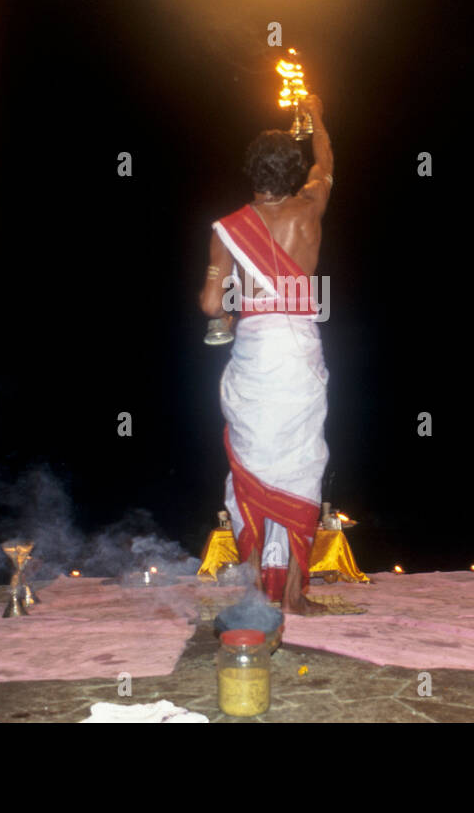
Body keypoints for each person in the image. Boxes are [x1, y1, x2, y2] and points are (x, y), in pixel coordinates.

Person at [199, 95, 333, 614]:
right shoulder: (312, 206)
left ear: (250, 174)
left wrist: (226, 318)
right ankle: (297, 594)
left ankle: (257, 590)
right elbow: (327, 160)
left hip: (256, 352)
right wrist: (317, 115)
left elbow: (213, 302)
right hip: (299, 348)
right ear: (297, 174)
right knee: (303, 461)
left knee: (252, 465)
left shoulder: (228, 230)